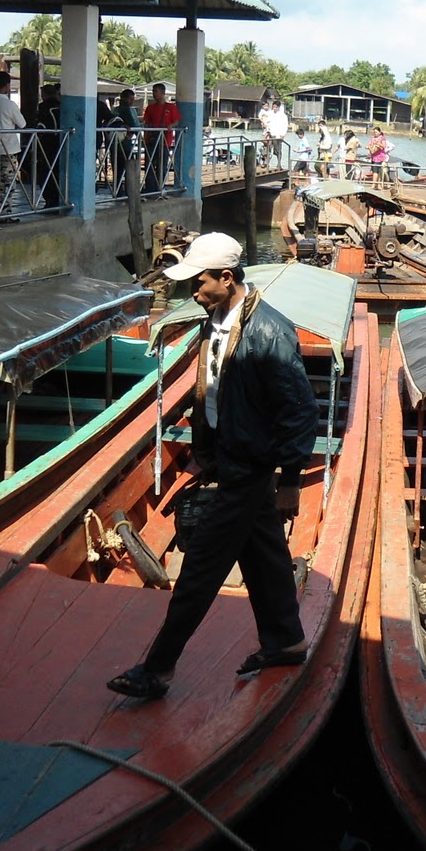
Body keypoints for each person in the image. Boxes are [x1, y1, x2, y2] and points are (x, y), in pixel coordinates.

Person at [108, 232, 319, 700]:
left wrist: (290, 481)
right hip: (229, 458)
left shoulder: (269, 332)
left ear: (226, 278)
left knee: (200, 569)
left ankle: (159, 668)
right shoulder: (217, 318)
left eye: (198, 283)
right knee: (264, 558)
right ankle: (286, 640)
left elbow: (299, 410)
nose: (193, 293)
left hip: (250, 468)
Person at [0, 71, 29, 213]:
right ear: (7, 86)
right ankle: (4, 212)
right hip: (8, 149)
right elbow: (22, 124)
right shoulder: (9, 104)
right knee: (7, 182)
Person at [142, 83, 181, 193]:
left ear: (162, 93)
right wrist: (144, 138)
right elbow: (146, 123)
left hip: (164, 141)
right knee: (149, 165)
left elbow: (176, 121)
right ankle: (150, 188)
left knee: (162, 166)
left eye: (156, 91)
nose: (154, 94)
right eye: (153, 91)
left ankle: (159, 188)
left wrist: (171, 126)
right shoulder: (150, 108)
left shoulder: (171, 107)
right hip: (151, 140)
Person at [30, 82, 63, 208]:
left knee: (45, 172)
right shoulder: (62, 106)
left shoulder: (43, 107)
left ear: (44, 94)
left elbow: (40, 125)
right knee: (58, 171)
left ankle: (50, 200)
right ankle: (58, 198)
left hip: (47, 144)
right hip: (61, 142)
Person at [110, 88, 140, 195]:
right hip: (124, 144)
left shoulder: (113, 110)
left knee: (116, 168)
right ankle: (128, 192)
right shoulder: (126, 110)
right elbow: (133, 125)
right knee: (127, 168)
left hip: (113, 143)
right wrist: (134, 132)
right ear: (124, 98)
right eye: (130, 99)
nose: (131, 101)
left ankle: (117, 191)